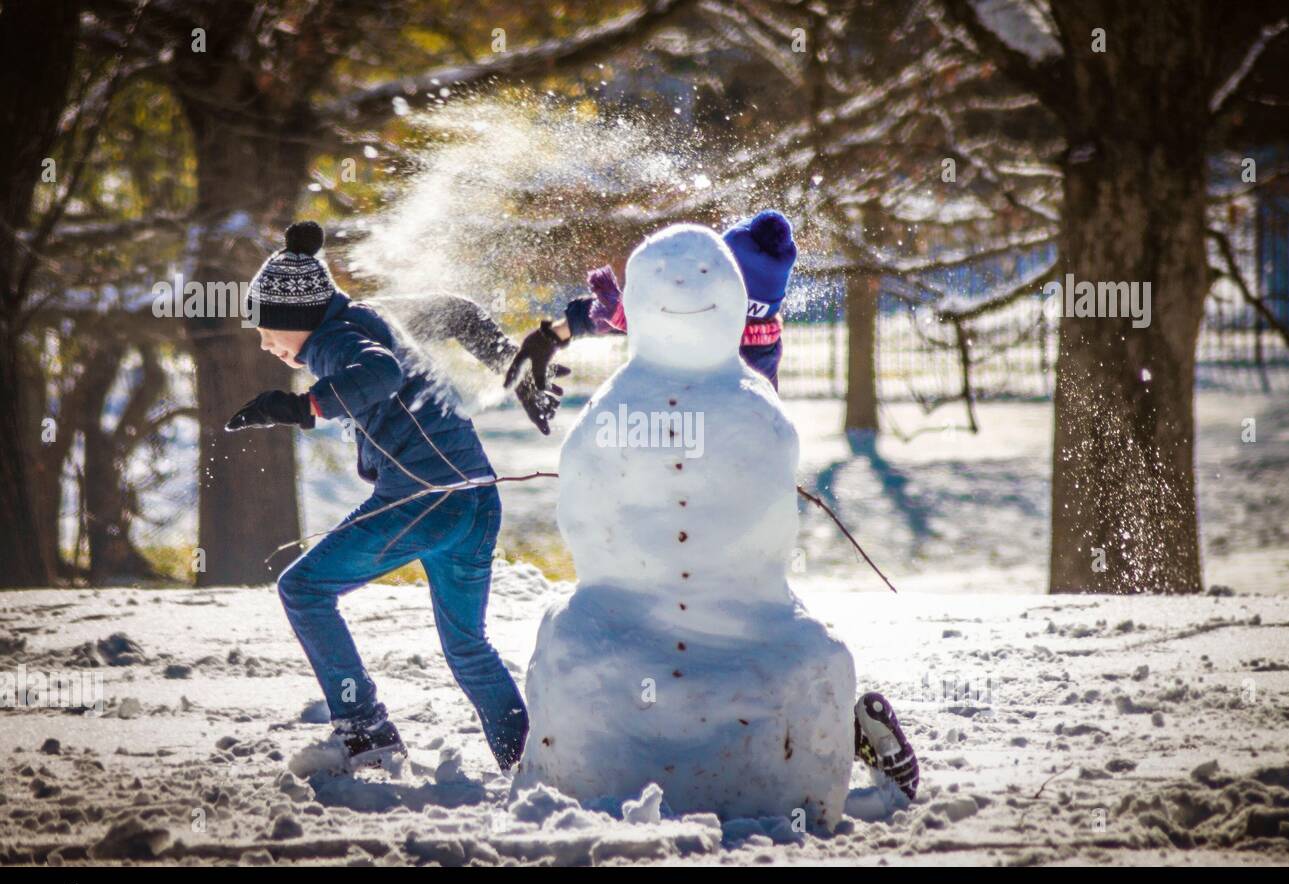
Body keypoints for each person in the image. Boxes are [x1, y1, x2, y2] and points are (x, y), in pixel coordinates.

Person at [505, 211, 922, 802]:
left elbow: (638, 317)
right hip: (732, 563)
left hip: (689, 557)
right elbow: (644, 315)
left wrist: (561, 331)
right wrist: (565, 329)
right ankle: (847, 727)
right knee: (777, 651)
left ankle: (847, 727)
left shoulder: (738, 355)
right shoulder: (746, 332)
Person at [225, 220, 564, 772]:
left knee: (304, 589)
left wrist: (299, 408)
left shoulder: (333, 343)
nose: (265, 345)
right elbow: (455, 312)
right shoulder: (369, 314)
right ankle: (534, 767)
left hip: (424, 499)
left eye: (269, 331)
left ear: (298, 319)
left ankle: (365, 729)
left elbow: (379, 373)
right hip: (476, 497)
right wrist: (514, 365)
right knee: (468, 647)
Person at [504, 209, 797, 394]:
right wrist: (552, 335)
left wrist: (553, 336)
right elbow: (632, 314)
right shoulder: (752, 335)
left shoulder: (737, 355)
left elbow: (635, 316)